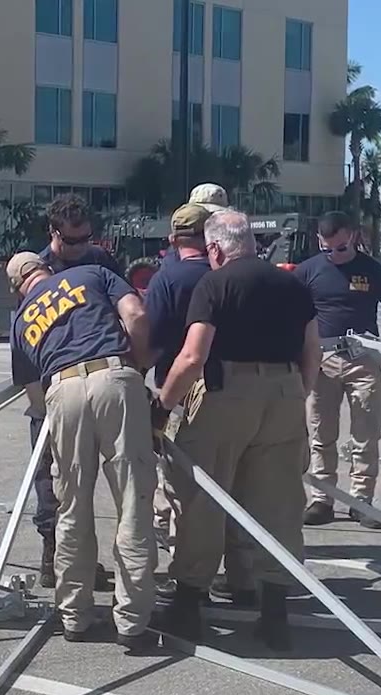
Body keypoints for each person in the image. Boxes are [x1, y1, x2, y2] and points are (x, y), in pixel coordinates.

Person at [155, 210, 320, 651]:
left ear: (215, 249)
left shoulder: (215, 284)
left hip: (228, 390)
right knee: (279, 503)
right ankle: (274, 612)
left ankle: (188, 603)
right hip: (285, 391)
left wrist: (163, 404)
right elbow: (312, 352)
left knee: (203, 496)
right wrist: (294, 393)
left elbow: (193, 356)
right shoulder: (292, 283)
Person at [6, 251, 159, 652]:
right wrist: (138, 369)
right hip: (114, 374)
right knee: (133, 499)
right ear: (47, 271)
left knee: (71, 506)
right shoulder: (92, 274)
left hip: (62, 389)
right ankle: (132, 619)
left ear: (17, 288)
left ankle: (75, 614)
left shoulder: (22, 318)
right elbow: (137, 316)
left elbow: (34, 397)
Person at [297, 211, 381, 529]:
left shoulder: (373, 270)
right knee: (321, 433)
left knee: (365, 432)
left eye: (340, 248)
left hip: (363, 360)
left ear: (352, 235)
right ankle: (322, 499)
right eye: (327, 249)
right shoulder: (307, 272)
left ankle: (361, 501)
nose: (334, 255)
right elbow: (287, 314)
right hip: (321, 361)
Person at [28, 193, 122, 589]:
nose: (81, 247)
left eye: (87, 238)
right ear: (53, 234)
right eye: (72, 241)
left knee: (97, 477)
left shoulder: (100, 263)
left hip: (98, 380)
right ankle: (54, 554)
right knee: (52, 476)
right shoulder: (37, 269)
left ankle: (84, 559)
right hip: (52, 387)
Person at [141, 204, 213, 582]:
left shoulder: (167, 279)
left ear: (172, 239)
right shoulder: (223, 273)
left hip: (178, 386)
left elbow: (149, 338)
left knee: (177, 478)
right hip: (224, 384)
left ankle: (182, 566)